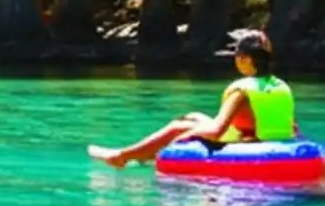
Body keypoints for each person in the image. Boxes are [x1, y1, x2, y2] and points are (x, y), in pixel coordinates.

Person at [89, 31, 298, 168]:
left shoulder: (241, 90)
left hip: (251, 144)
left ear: (244, 59)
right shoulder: (281, 86)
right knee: (194, 116)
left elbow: (216, 131)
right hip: (266, 138)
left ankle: (121, 156)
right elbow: (291, 126)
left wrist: (184, 137)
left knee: (179, 127)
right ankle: (142, 155)